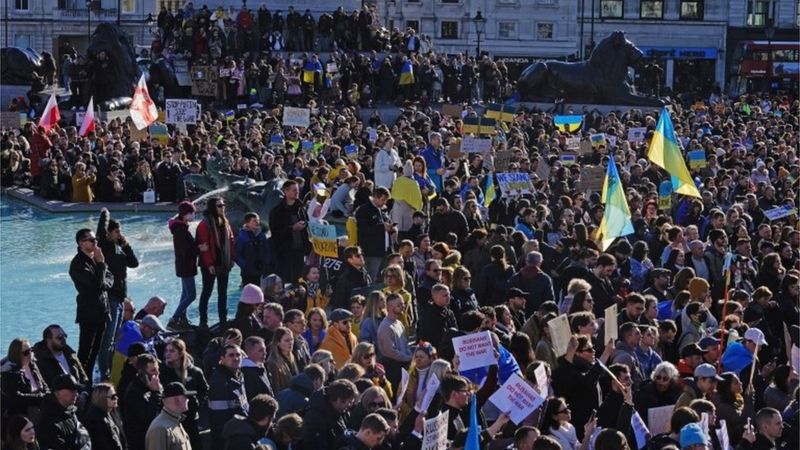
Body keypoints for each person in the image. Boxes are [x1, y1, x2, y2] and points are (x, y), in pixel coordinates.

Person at [95, 208, 139, 381]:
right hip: (111, 298)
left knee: (114, 339)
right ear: (109, 233)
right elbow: (100, 230)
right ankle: (103, 373)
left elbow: (134, 263)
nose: (120, 234)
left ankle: (111, 370)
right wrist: (105, 213)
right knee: (106, 340)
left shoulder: (119, 248)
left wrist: (126, 245)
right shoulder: (104, 247)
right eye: (117, 231)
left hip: (120, 298)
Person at [68, 227, 114, 377]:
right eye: (91, 240)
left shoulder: (95, 258)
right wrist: (101, 264)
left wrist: (102, 270)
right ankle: (80, 379)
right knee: (85, 351)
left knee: (96, 350)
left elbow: (109, 279)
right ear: (81, 243)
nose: (95, 243)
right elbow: (95, 285)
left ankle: (88, 379)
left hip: (102, 311)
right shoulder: (78, 264)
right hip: (89, 313)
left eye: (96, 240)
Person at [160, 338, 208, 450]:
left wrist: (196, 404)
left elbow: (204, 389)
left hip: (190, 416)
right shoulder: (162, 372)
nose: (168, 354)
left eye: (172, 351)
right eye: (166, 351)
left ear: (181, 352)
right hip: (171, 417)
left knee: (195, 444)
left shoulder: (195, 372)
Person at [196, 196, 236, 328]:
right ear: (213, 207)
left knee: (223, 293)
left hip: (224, 263)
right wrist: (209, 264)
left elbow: (231, 240)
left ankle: (223, 319)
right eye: (219, 205)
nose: (223, 207)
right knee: (207, 292)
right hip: (210, 264)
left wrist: (232, 259)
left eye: (223, 205)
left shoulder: (225, 221)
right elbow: (204, 246)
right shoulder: (204, 224)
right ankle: (203, 321)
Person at [1, 338, 48, 428]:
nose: (30, 354)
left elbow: (44, 385)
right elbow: (17, 397)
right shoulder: (10, 372)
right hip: (22, 414)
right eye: (26, 353)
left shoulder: (32, 365)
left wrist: (48, 396)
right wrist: (41, 399)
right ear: (17, 355)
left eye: (31, 350)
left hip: (40, 408)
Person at [36, 374, 91, 450]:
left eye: (76, 390)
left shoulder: (72, 411)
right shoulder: (48, 421)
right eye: (71, 390)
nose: (76, 394)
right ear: (57, 393)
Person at [209, 343, 248, 449]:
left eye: (238, 355)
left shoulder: (239, 375)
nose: (235, 358)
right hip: (229, 439)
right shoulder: (219, 382)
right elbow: (219, 420)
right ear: (222, 358)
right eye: (231, 355)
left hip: (242, 431)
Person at [269, 180, 309, 283]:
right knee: (286, 282)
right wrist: (292, 228)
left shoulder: (301, 208)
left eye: (298, 190)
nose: (297, 192)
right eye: (294, 190)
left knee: (300, 282)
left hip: (300, 252)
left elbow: (307, 225)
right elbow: (275, 233)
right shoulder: (276, 211)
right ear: (285, 192)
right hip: (285, 254)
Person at [168, 201, 200, 329]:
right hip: (186, 266)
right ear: (185, 214)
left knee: (185, 294)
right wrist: (199, 249)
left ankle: (182, 318)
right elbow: (185, 250)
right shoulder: (181, 231)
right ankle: (175, 318)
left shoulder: (180, 228)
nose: (193, 215)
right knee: (191, 295)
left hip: (184, 266)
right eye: (191, 213)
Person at [303, 379, 359, 450]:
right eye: (349, 402)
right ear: (339, 400)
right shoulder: (316, 417)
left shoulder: (339, 412)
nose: (350, 405)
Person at [124, 353, 163, 450]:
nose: (157, 373)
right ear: (143, 372)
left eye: (157, 369)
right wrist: (155, 393)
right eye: (153, 371)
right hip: (141, 442)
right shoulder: (134, 392)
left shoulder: (154, 385)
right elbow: (148, 417)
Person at [356, 187, 397, 279]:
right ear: (375, 197)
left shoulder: (383, 210)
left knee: (383, 280)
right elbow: (363, 229)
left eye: (386, 200)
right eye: (383, 200)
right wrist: (382, 227)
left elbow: (387, 224)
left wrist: (392, 229)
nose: (384, 203)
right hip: (371, 252)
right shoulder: (364, 210)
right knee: (371, 279)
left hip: (385, 251)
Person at [145, 382, 194, 450]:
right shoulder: (160, 429)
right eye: (185, 397)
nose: (188, 400)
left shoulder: (175, 420)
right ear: (177, 400)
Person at [508, 251, 556, 316]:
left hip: (517, 316)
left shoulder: (514, 278)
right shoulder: (545, 279)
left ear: (526, 261)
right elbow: (550, 300)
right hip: (538, 316)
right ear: (540, 263)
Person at [83, 382, 126, 450]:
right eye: (113, 396)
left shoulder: (110, 413)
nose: (116, 398)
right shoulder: (96, 421)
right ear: (102, 398)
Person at [235, 212, 271, 286]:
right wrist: (245, 266)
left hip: (261, 270)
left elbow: (267, 250)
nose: (257, 222)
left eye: (258, 220)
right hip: (248, 273)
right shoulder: (242, 237)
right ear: (247, 223)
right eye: (254, 220)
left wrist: (267, 263)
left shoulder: (262, 235)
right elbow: (237, 254)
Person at [266, 327, 299, 393]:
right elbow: (276, 388)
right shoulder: (273, 362)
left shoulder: (292, 357)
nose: (290, 343)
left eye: (291, 340)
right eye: (287, 340)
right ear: (278, 342)